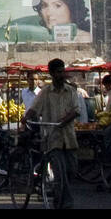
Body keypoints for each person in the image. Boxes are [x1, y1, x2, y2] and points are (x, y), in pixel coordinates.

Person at [23, 58, 78, 208]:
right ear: (52, 74)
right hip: (53, 139)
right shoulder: (45, 92)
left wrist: (64, 120)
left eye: (63, 71)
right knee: (59, 174)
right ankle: (64, 204)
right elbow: (34, 109)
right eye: (58, 72)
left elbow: (75, 110)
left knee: (72, 171)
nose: (61, 75)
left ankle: (59, 196)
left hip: (69, 137)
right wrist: (26, 118)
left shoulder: (71, 91)